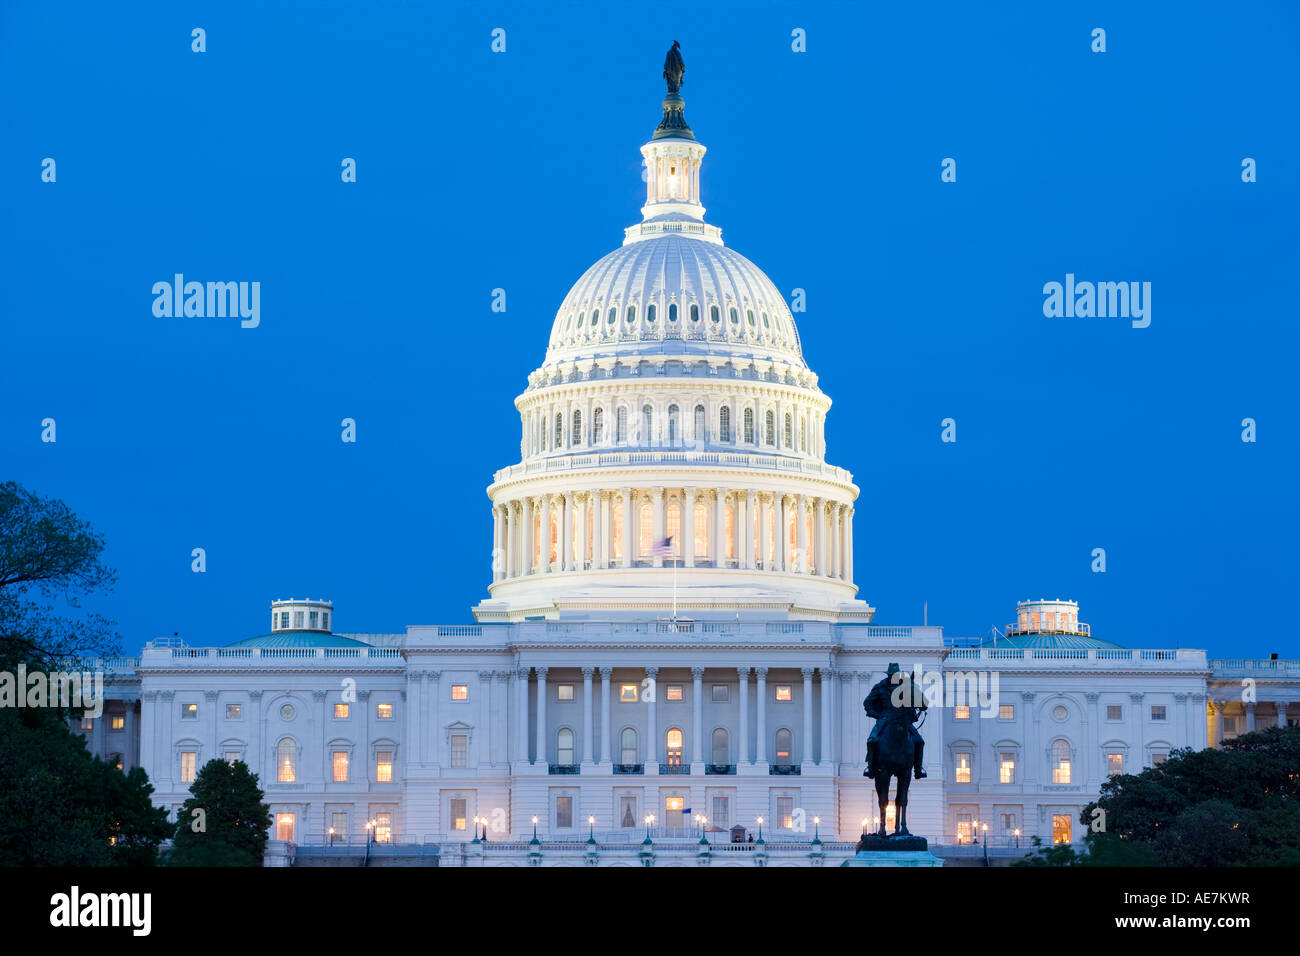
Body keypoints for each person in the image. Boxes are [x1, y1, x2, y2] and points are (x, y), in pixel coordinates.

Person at [863, 663, 927, 779]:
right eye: (891, 675)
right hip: (885, 719)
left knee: (919, 741)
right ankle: (870, 767)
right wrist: (878, 715)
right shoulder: (880, 686)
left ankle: (918, 769)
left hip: (904, 720)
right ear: (888, 675)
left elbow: (921, 701)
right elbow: (867, 703)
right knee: (872, 740)